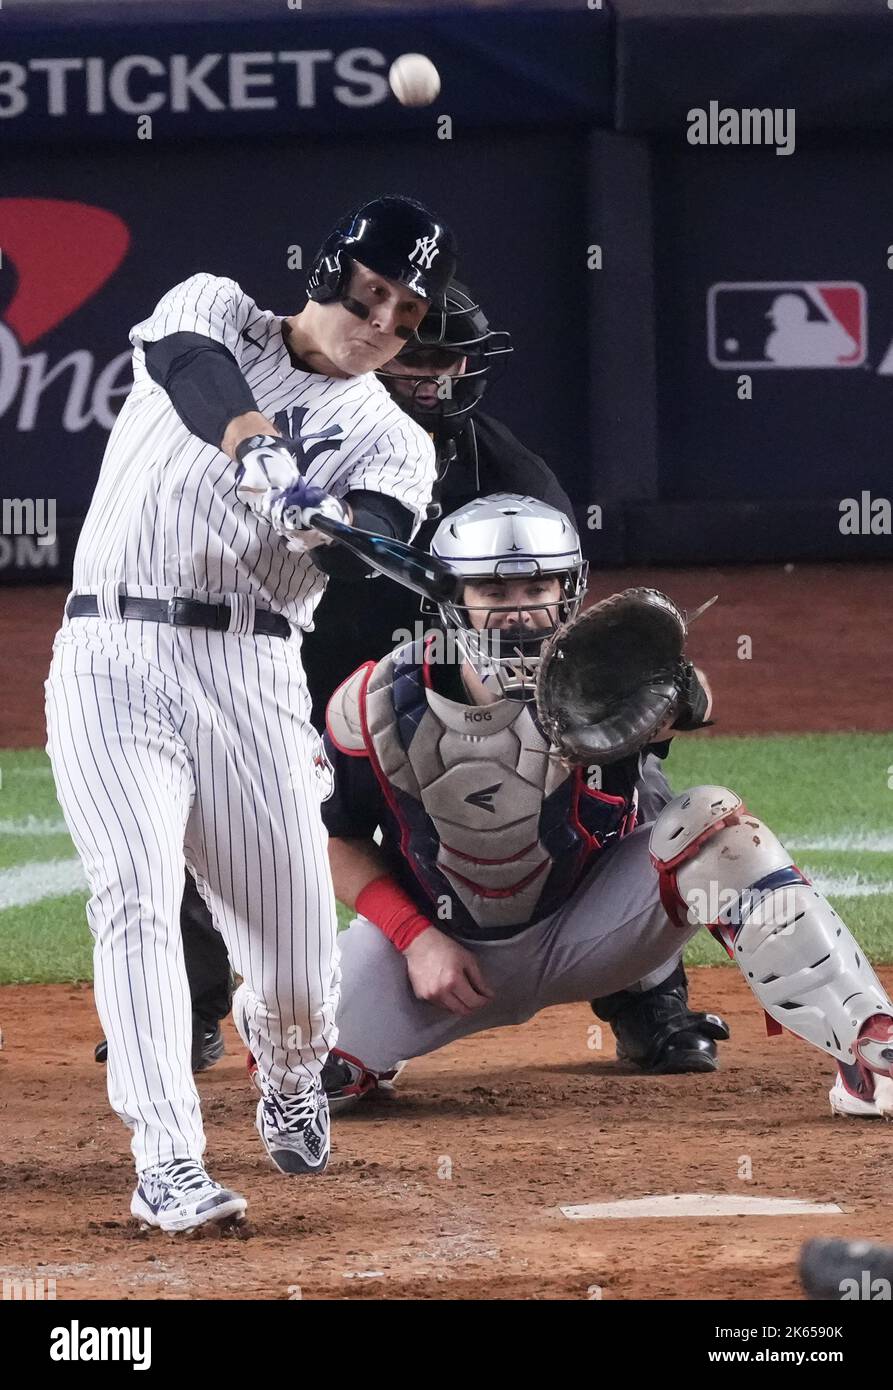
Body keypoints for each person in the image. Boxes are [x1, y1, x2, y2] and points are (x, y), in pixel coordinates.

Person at [110, 283, 726, 1079]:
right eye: (417, 354)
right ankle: (192, 1011)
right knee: (219, 801)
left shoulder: (510, 474)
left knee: (616, 763)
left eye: (447, 356)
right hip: (305, 664)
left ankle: (650, 1007)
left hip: (475, 682)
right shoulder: (310, 431)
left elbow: (571, 634)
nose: (433, 373)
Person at [46, 194, 457, 1231]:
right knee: (132, 894)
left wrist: (333, 526)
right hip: (111, 652)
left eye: (405, 316)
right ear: (329, 271)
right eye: (372, 294)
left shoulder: (393, 440)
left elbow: (377, 532)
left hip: (251, 673)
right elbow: (194, 375)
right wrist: (261, 454)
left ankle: (286, 1070)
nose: (380, 324)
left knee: (290, 960)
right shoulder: (215, 309)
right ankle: (167, 1159)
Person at [230, 493, 893, 1127]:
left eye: (534, 589)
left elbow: (693, 705)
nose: (517, 610)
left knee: (715, 825)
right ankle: (369, 1046)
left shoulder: (611, 679)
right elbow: (331, 838)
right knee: (287, 1062)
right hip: (441, 952)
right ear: (450, 597)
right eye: (493, 591)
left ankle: (867, 1044)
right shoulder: (373, 703)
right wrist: (415, 938)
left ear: (566, 592)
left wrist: (680, 691)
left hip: (592, 930)